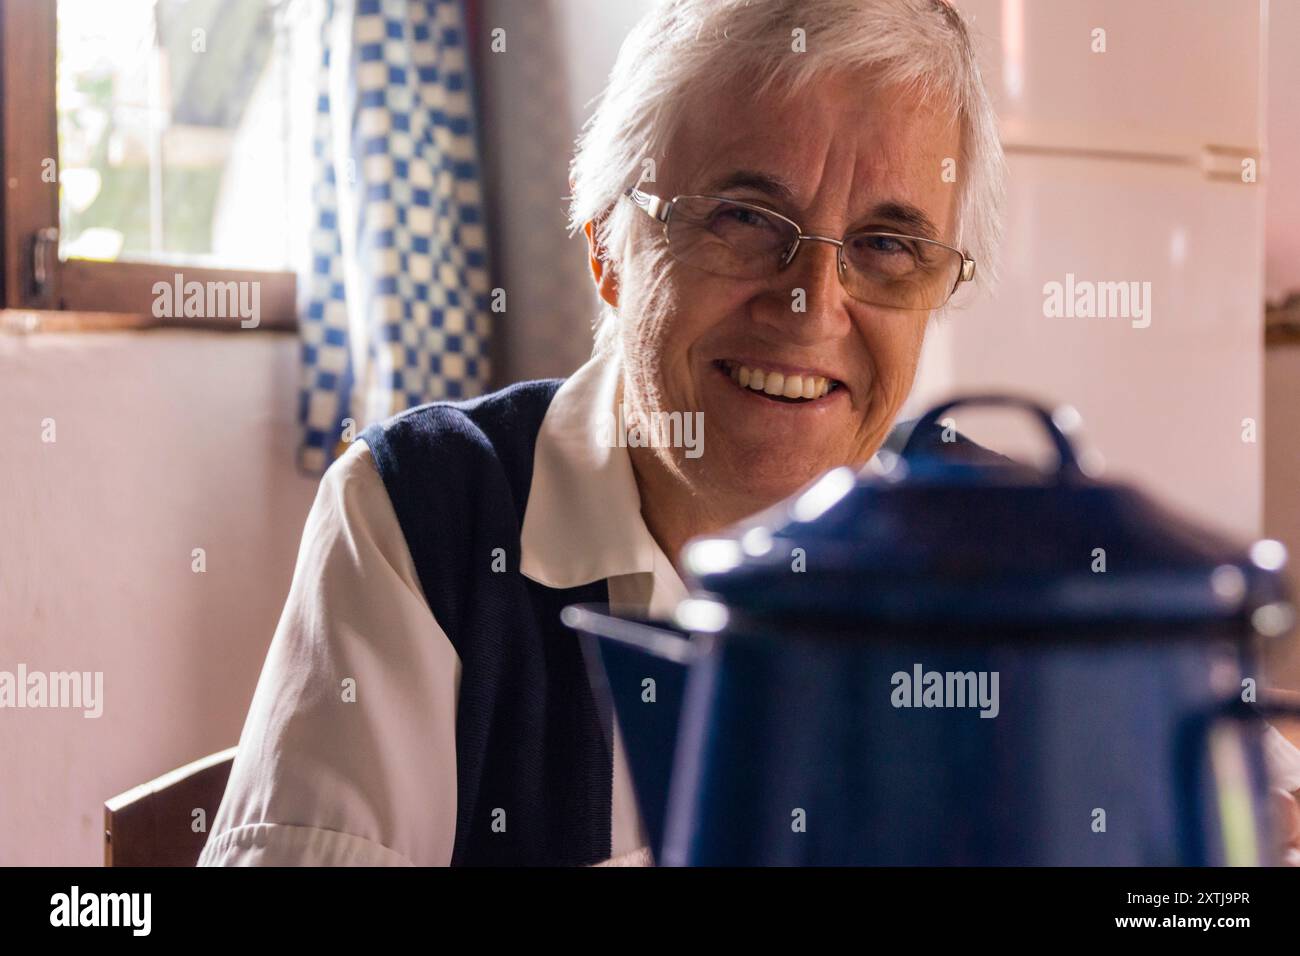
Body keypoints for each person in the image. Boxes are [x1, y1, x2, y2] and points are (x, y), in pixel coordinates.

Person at [199, 0, 1300, 866]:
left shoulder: (1000, 547)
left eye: (885, 245)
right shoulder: (427, 515)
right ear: (606, 248)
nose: (811, 303)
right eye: (746, 219)